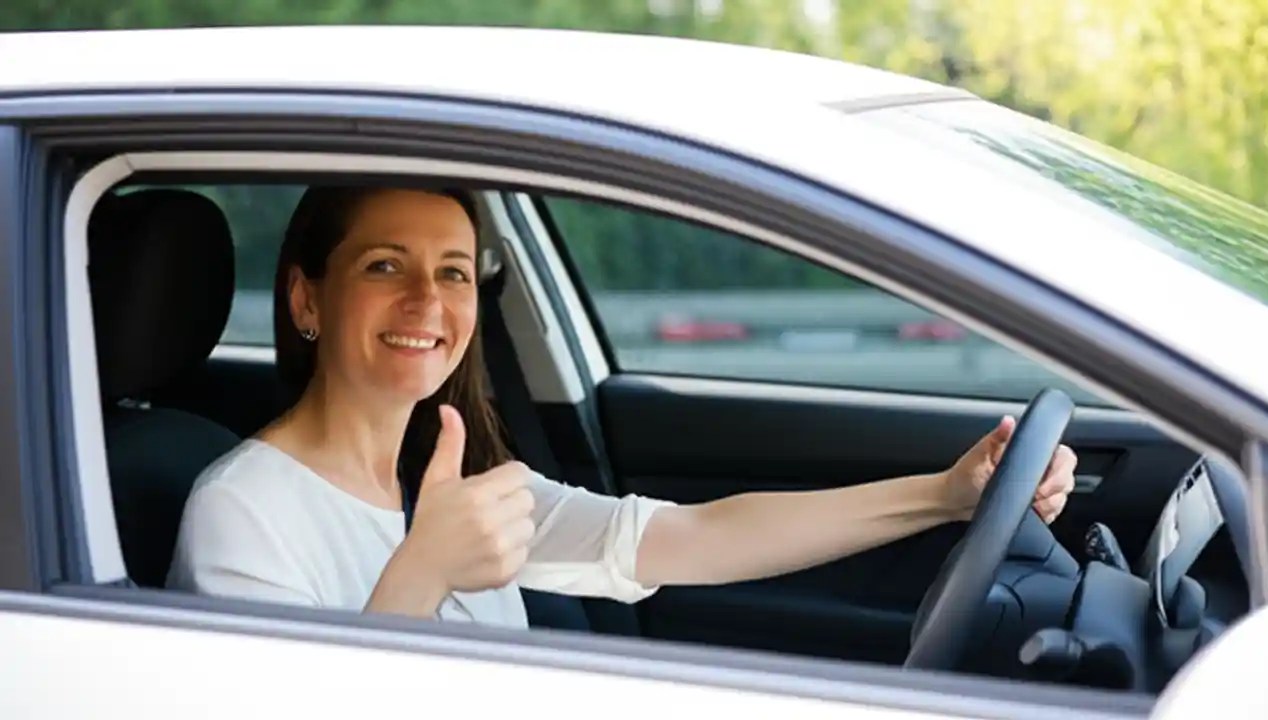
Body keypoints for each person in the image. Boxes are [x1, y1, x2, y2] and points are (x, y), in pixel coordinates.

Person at [166, 185, 1076, 627]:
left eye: (452, 272)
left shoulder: (464, 487)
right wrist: (421, 574)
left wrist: (950, 495)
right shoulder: (241, 511)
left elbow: (703, 538)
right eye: (382, 267)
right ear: (305, 300)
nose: (427, 303)